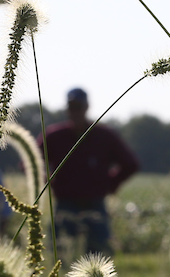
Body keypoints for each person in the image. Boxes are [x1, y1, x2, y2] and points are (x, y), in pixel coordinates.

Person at [40, 87, 140, 255]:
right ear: (67, 109)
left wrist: (110, 184)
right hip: (65, 204)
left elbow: (131, 164)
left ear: (86, 108)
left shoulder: (104, 136)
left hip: (95, 204)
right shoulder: (55, 136)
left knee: (99, 255)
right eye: (71, 107)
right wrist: (46, 180)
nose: (75, 112)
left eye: (78, 107)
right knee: (61, 254)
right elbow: (30, 161)